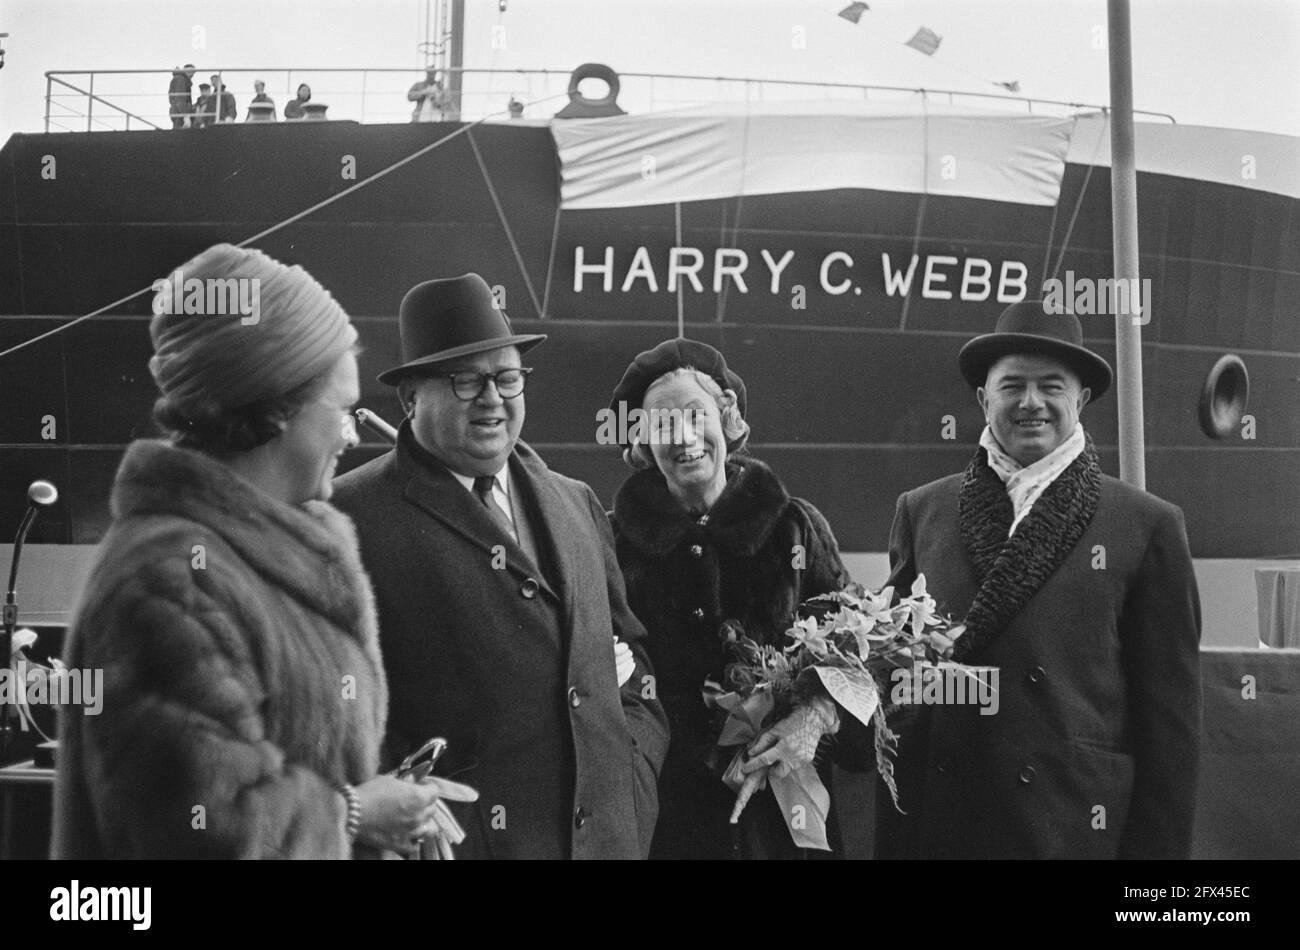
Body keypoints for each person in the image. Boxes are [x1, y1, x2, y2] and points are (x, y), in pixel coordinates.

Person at [51, 243, 476, 859]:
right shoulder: (172, 580)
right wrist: (354, 815)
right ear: (278, 408)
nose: (353, 435)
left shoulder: (256, 554)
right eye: (343, 409)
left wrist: (381, 802)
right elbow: (194, 830)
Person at [332, 274, 669, 860]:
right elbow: (336, 708)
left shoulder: (577, 501)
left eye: (508, 377)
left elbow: (630, 657)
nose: (493, 397)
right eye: (465, 380)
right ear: (411, 398)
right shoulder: (346, 518)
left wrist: (634, 768)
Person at [878, 300, 1202, 859]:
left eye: (1051, 386)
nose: (1031, 402)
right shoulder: (923, 511)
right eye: (1012, 386)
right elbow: (898, 690)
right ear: (984, 400)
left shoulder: (1146, 526)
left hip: (1071, 829)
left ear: (1081, 399)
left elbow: (1170, 732)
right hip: (946, 829)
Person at [607, 339, 869, 860]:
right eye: (661, 424)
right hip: (668, 823)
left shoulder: (794, 528)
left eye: (694, 415)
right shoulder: (609, 544)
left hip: (785, 821)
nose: (683, 439)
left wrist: (812, 720)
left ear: (725, 417)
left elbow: (860, 656)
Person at [168, 64, 196, 129]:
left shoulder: (180, 79)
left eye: (193, 72)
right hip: (180, 114)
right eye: (190, 71)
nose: (192, 74)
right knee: (180, 136)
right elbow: (180, 98)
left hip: (178, 112)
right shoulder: (181, 79)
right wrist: (186, 116)